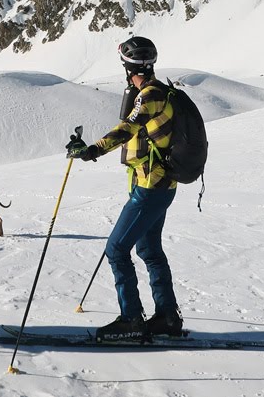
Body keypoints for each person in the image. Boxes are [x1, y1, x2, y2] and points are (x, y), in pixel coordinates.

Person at [66, 36, 185, 341]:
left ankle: (132, 319)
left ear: (127, 66)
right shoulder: (157, 92)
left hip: (150, 188)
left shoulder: (151, 96)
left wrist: (92, 150)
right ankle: (167, 317)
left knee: (116, 248)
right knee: (148, 249)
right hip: (159, 186)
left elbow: (127, 128)